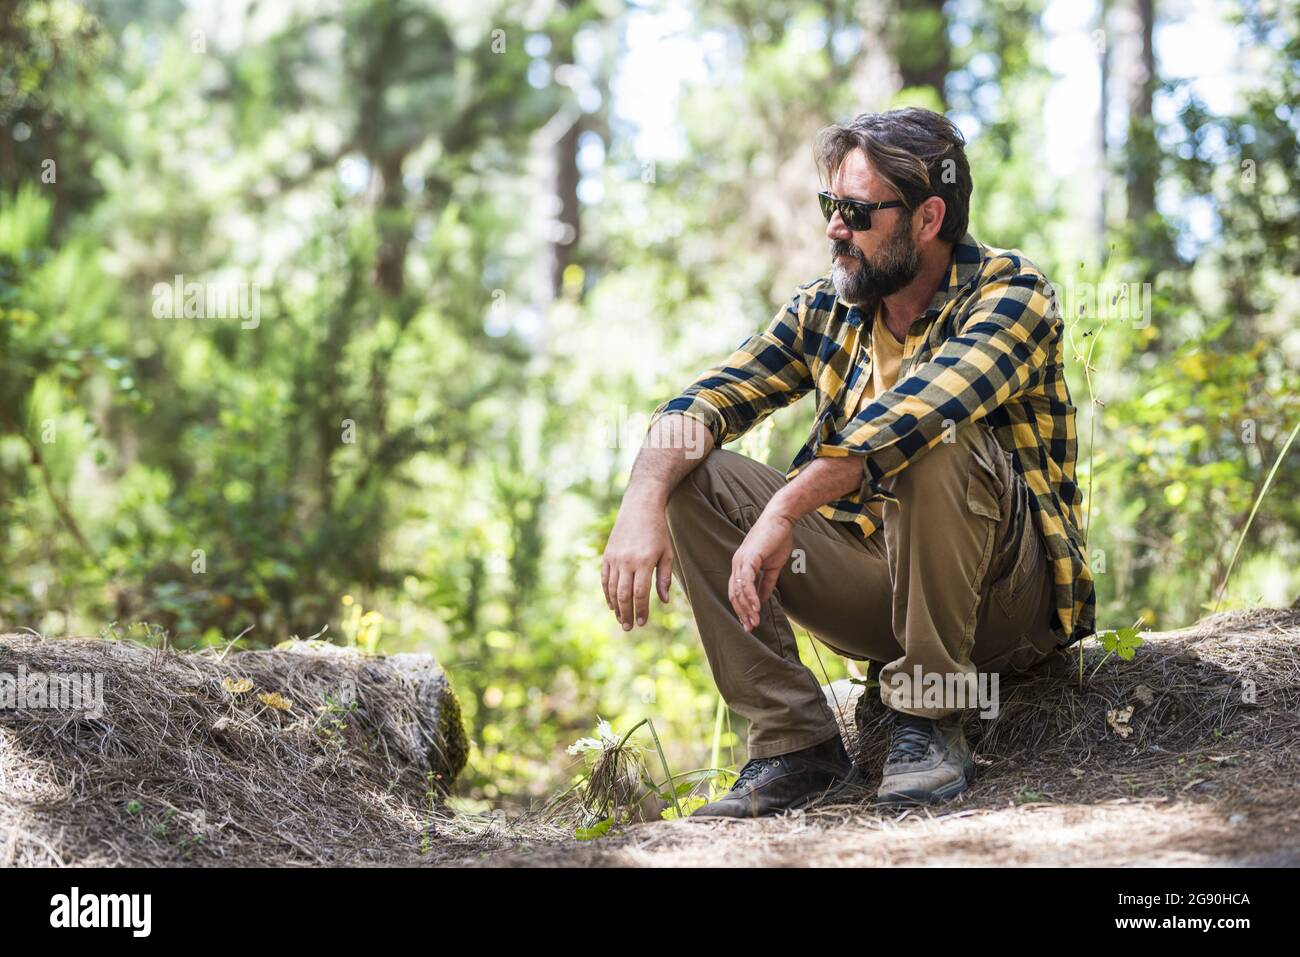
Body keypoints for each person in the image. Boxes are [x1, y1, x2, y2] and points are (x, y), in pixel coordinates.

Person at [601, 107, 1095, 818]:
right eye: (831, 206)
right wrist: (642, 499)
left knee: (936, 444)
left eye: (857, 212)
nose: (835, 228)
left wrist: (783, 507)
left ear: (927, 219)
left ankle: (929, 715)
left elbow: (920, 412)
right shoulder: (827, 308)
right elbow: (710, 396)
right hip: (876, 583)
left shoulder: (1012, 293)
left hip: (1007, 600)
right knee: (691, 477)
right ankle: (794, 745)